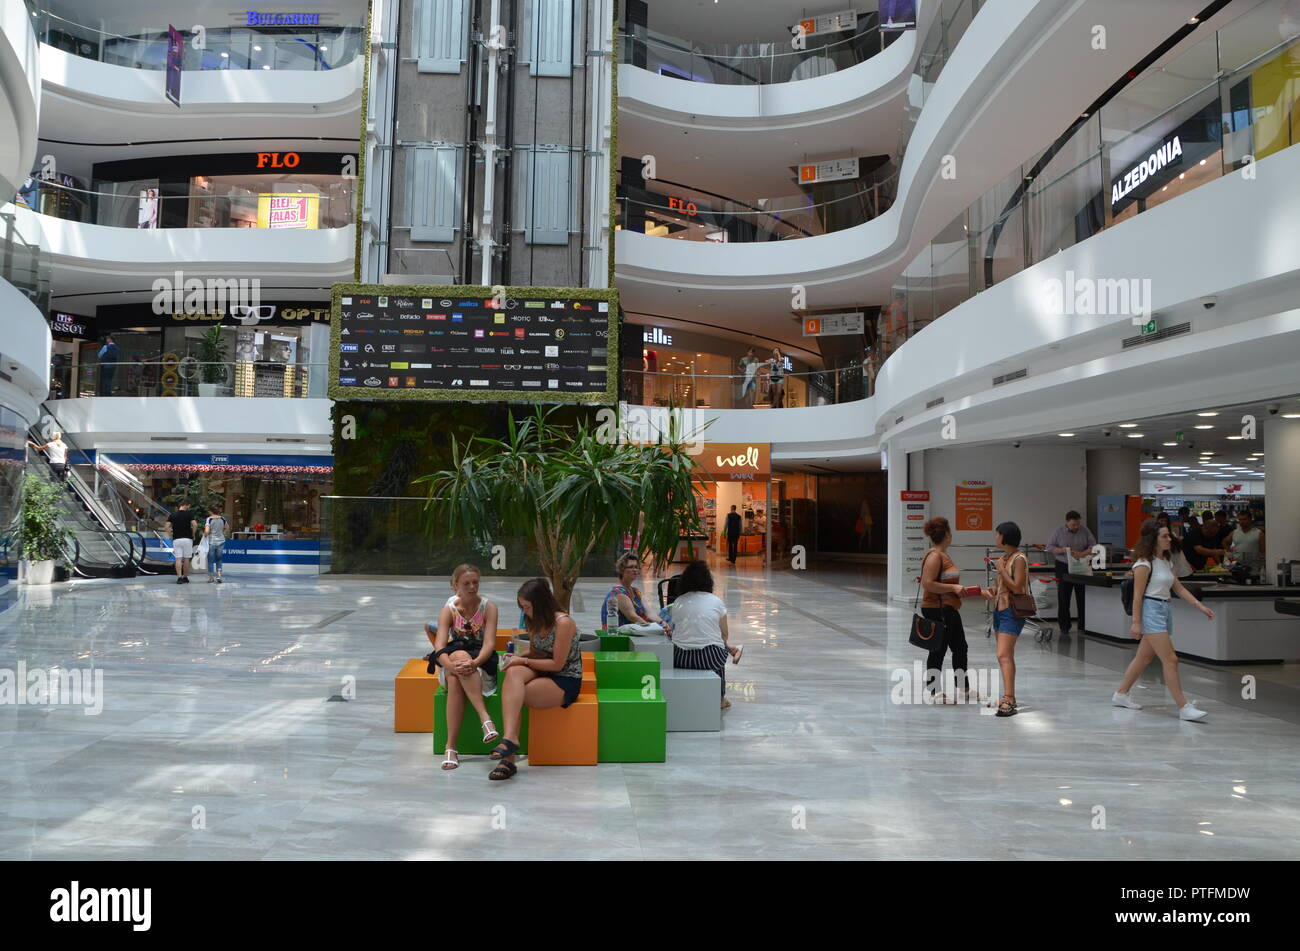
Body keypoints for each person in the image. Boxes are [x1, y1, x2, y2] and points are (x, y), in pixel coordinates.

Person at [1112, 518, 1214, 720]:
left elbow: (1178, 588)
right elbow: (1138, 595)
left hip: (1164, 609)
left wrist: (1199, 606)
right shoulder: (1143, 563)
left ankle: (1120, 694)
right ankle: (1183, 707)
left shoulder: (1166, 561)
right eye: (1165, 536)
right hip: (1151, 609)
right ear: (1153, 539)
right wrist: (1136, 622)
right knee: (1171, 659)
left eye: (1169, 535)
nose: (1170, 539)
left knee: (1144, 657)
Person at [488, 578, 583, 780]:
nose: (524, 611)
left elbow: (557, 664)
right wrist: (517, 658)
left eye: (527, 607)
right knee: (512, 675)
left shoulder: (563, 623)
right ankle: (510, 740)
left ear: (540, 604)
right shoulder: (534, 620)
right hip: (541, 669)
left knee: (515, 693)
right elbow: (535, 651)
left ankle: (508, 759)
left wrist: (523, 663)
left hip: (564, 677)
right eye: (521, 607)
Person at [428, 564, 501, 770]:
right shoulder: (448, 611)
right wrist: (452, 665)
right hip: (453, 663)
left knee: (455, 679)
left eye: (475, 582)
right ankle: (485, 719)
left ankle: (451, 747)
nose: (472, 587)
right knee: (457, 660)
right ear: (455, 586)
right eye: (466, 583)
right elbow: (439, 647)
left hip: (480, 664)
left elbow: (489, 644)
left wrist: (474, 662)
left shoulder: (489, 607)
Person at [668, 560, 742, 709]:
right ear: (708, 581)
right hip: (708, 659)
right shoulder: (716, 602)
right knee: (719, 649)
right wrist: (727, 647)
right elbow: (724, 635)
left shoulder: (678, 602)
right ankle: (720, 698)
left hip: (679, 658)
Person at [918, 517, 975, 703]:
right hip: (937, 608)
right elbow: (928, 583)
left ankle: (964, 688)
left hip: (948, 608)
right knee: (938, 650)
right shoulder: (935, 556)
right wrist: (952, 588)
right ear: (947, 536)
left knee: (960, 647)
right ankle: (935, 691)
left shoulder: (943, 555)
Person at [981, 521, 1029, 717]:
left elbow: (1018, 587)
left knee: (1003, 654)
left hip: (1012, 611)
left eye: (997, 534)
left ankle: (1009, 697)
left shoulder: (1019, 558)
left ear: (1004, 537)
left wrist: (1000, 569)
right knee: (1005, 655)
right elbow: (1002, 586)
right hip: (1000, 609)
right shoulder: (1004, 558)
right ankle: (1009, 696)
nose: (995, 537)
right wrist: (990, 591)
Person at [1044, 509, 1096, 635]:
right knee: (1063, 596)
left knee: (1082, 596)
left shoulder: (1085, 531)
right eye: (1073, 524)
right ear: (1067, 522)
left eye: (1078, 524)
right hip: (1063, 566)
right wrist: (1063, 550)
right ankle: (1064, 627)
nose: (1076, 527)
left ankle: (1083, 626)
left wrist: (1082, 553)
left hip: (1081, 566)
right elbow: (1049, 547)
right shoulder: (1059, 531)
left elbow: (1093, 546)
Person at [601, 552, 669, 631]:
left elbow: (649, 613)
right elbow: (633, 617)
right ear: (622, 570)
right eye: (631, 567)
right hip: (620, 636)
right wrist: (653, 629)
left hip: (637, 631)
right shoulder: (618, 593)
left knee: (668, 616)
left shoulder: (636, 591)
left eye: (636, 567)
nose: (635, 570)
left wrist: (662, 622)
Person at [168, 501, 197, 584]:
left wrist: (171, 535)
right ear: (184, 505)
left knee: (178, 558)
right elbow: (195, 525)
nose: (189, 507)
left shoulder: (173, 515)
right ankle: (185, 577)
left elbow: (166, 526)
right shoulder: (189, 514)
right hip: (187, 539)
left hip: (177, 539)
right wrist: (193, 534)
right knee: (187, 558)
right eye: (188, 506)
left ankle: (179, 577)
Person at [203, 503, 227, 584]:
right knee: (219, 559)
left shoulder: (209, 519)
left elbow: (206, 531)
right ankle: (219, 576)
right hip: (221, 541)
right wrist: (220, 531)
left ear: (211, 511)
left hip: (212, 542)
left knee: (210, 560)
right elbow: (227, 527)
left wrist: (205, 534)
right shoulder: (223, 519)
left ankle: (211, 578)